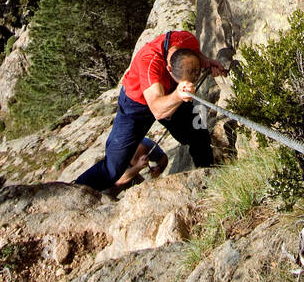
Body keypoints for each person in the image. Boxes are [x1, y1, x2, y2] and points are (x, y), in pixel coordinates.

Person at [74, 29, 228, 192]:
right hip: (136, 106)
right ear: (168, 69)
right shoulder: (149, 62)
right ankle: (75, 190)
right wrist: (177, 94)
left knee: (198, 134)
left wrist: (208, 62)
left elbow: (198, 57)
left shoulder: (187, 39)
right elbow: (157, 109)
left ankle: (210, 184)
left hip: (170, 92)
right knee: (114, 167)